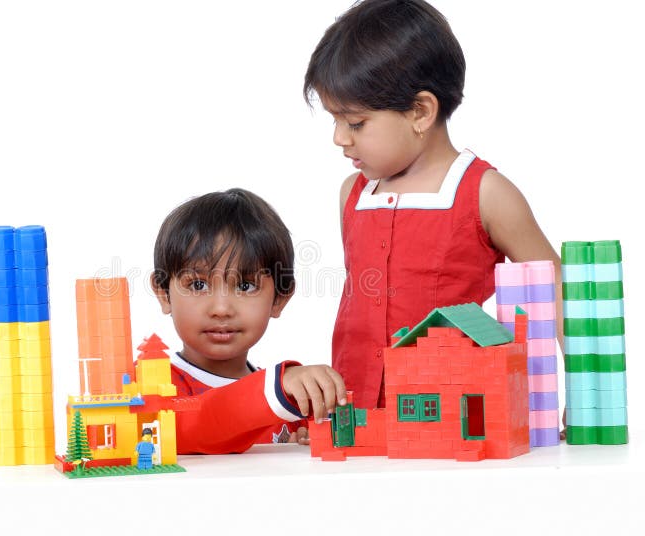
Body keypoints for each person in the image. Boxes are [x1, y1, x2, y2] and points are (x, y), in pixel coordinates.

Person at [303, 0, 563, 410]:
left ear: (420, 112)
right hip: (356, 417)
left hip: (450, 411)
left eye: (355, 123)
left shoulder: (485, 193)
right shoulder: (352, 193)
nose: (339, 138)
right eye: (335, 121)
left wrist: (579, 397)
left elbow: (556, 291)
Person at [151, 188, 347, 453]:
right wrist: (276, 390)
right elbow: (181, 429)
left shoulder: (294, 399)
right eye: (197, 284)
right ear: (164, 293)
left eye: (245, 286)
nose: (221, 309)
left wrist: (302, 445)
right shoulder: (153, 385)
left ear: (279, 298)